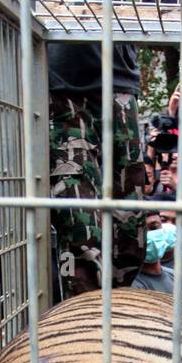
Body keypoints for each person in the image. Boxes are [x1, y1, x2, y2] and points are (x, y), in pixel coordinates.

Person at [47, 40, 147, 298]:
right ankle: (84, 318)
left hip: (120, 83)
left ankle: (116, 314)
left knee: (131, 229)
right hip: (62, 86)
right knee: (80, 226)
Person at [130, 211, 182, 310]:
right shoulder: (129, 284)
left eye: (154, 227)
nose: (149, 235)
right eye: (142, 230)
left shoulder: (176, 276)